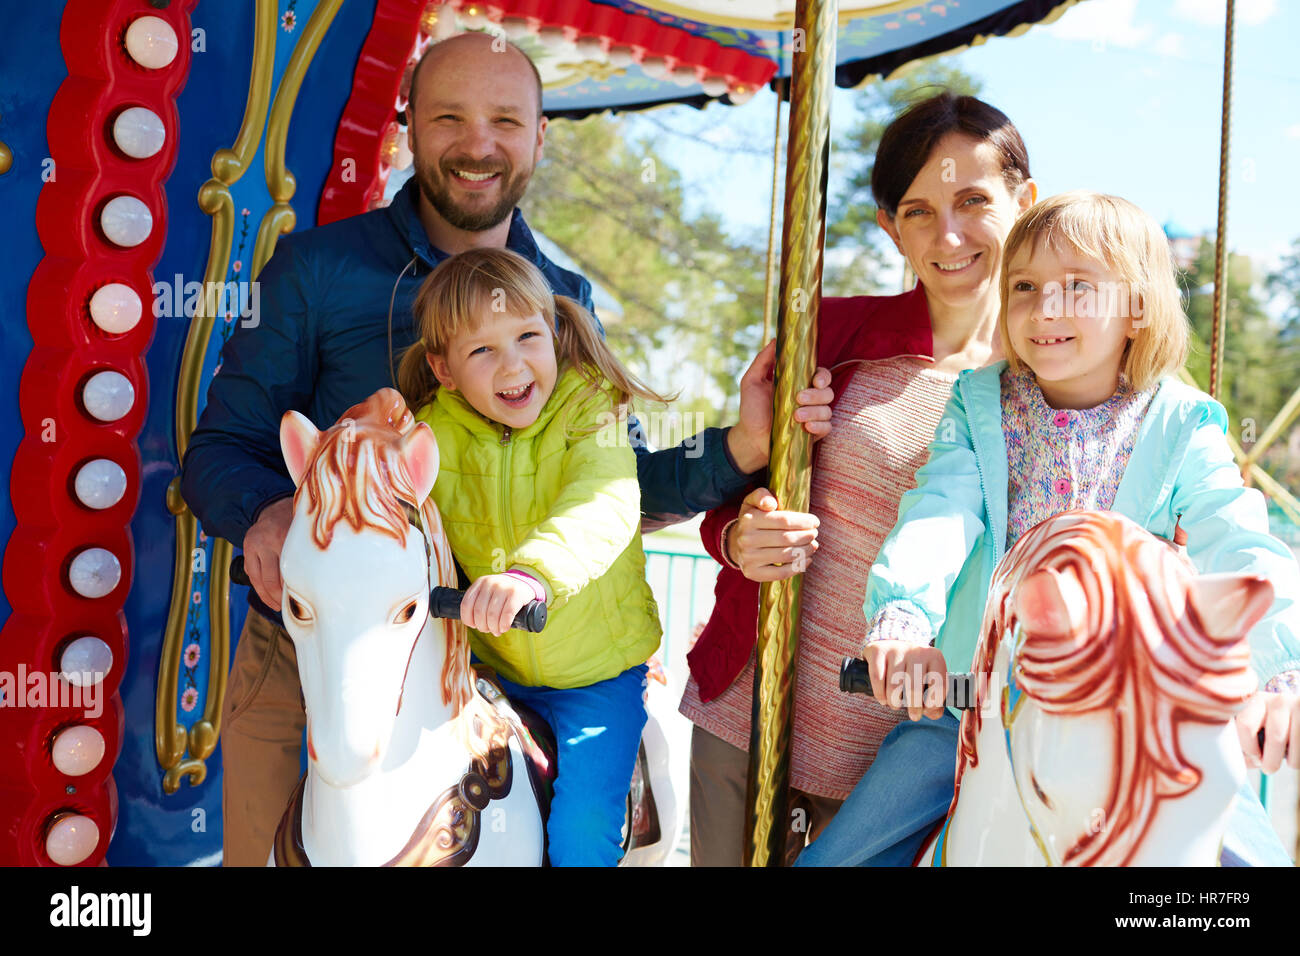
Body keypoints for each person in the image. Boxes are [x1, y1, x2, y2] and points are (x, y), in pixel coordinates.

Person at [180, 33, 831, 865]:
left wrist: (739, 446)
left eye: (505, 121)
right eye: (449, 116)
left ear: (538, 138)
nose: (478, 144)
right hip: (318, 642)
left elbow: (610, 484)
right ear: (408, 125)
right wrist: (268, 513)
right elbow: (221, 445)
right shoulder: (315, 270)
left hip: (488, 652)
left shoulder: (564, 298)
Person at [797, 191, 1300, 867]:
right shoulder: (980, 403)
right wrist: (902, 624)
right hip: (975, 702)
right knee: (840, 860)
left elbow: (1237, 543)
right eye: (1026, 286)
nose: (1046, 309)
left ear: (1140, 307)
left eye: (1077, 288)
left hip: (1133, 712)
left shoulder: (1183, 423)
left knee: (1238, 856)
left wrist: (1279, 670)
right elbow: (939, 512)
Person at [681, 92, 1037, 865]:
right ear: (890, 226)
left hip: (912, 742)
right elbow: (731, 500)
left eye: (974, 200)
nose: (948, 235)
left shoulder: (1046, 375)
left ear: (1024, 201)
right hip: (755, 706)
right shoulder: (832, 333)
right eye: (917, 211)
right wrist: (745, 534)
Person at [395, 247, 668, 865]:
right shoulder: (430, 436)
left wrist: (530, 576)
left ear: (553, 333)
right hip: (491, 672)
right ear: (443, 369)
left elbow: (604, 504)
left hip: (595, 676)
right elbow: (396, 520)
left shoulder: (590, 409)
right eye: (482, 350)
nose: (512, 364)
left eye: (526, 336)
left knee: (579, 835)